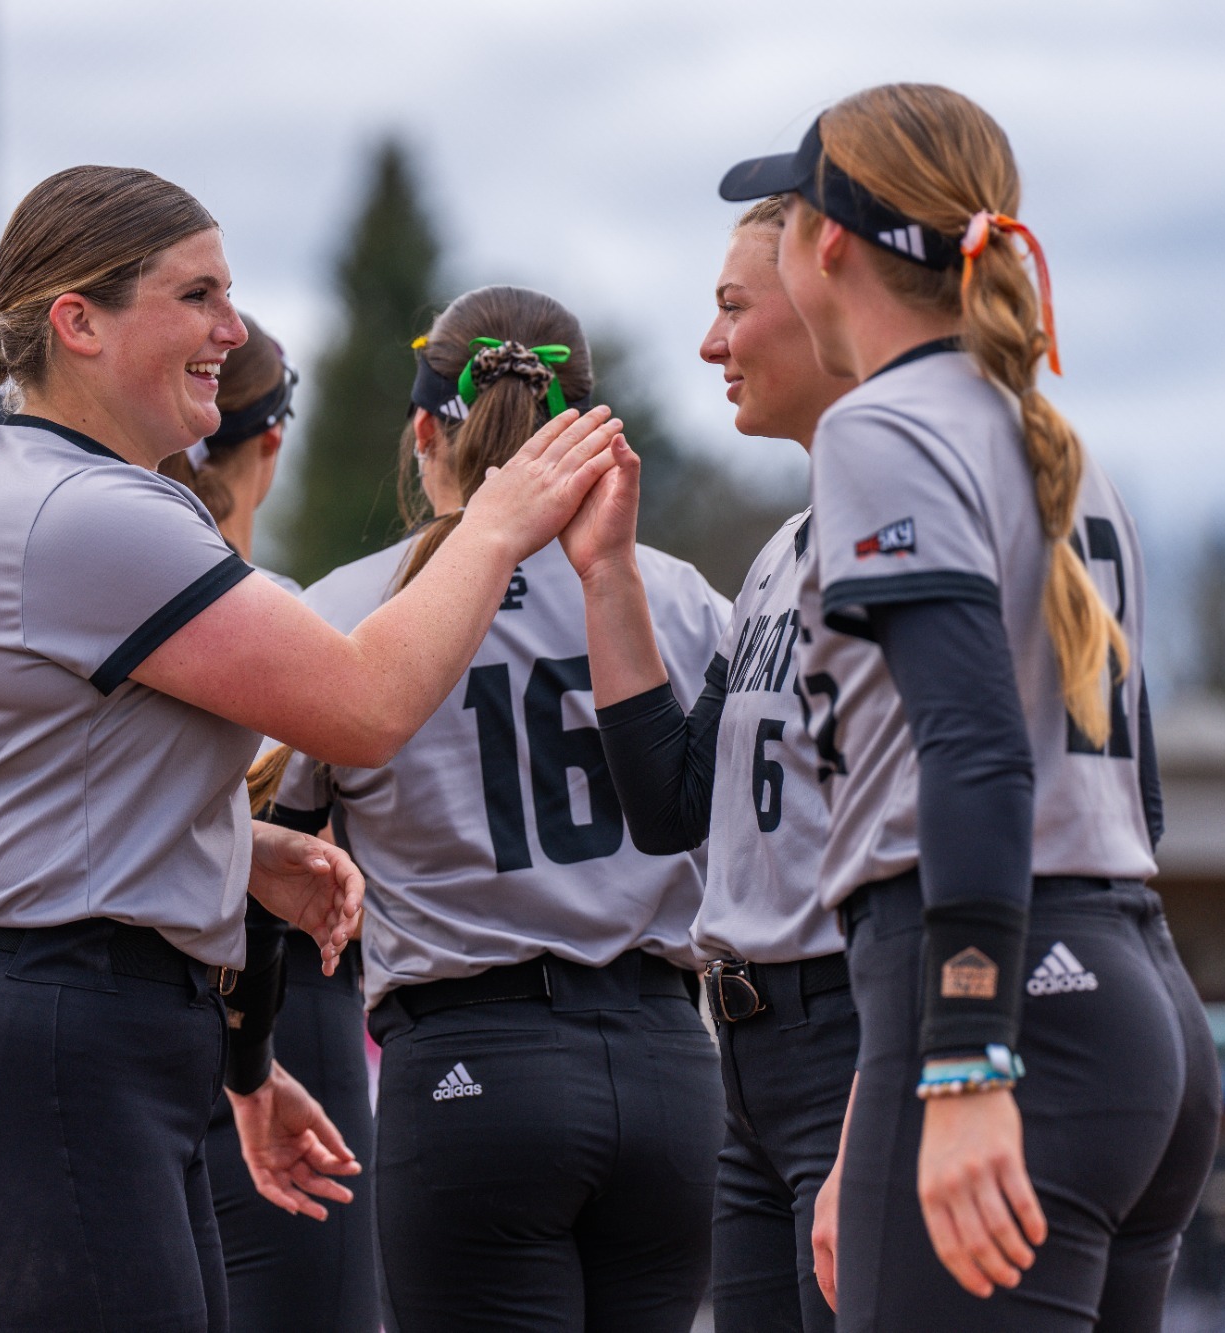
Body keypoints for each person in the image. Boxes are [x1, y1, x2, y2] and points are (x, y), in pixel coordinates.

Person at [0, 165, 626, 1332]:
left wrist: (232, 846)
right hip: (45, 1030)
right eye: (197, 295)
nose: (231, 329)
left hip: (52, 1023)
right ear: (77, 321)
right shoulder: (90, 510)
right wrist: (498, 519)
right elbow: (363, 706)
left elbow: (47, 779)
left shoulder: (66, 489)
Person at [706, 84, 1218, 1330]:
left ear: (822, 243)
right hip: (1129, 987)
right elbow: (1129, 785)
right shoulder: (1045, 431)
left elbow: (975, 752)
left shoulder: (881, 425)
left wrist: (965, 1056)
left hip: (1004, 1007)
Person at [267, 285, 730, 1331]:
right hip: (667, 1058)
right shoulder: (682, 594)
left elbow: (270, 846)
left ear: (425, 428)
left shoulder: (351, 603)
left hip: (471, 1065)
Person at [564, 198, 857, 1333]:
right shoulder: (784, 548)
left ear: (822, 301)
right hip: (745, 1061)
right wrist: (605, 577)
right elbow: (668, 803)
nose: (709, 344)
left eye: (734, 307)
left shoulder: (906, 526)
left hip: (851, 1025)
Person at [165, 318, 379, 1333]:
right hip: (296, 1007)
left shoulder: (118, 596)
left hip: (146, 1009)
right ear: (273, 441)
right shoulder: (290, 619)